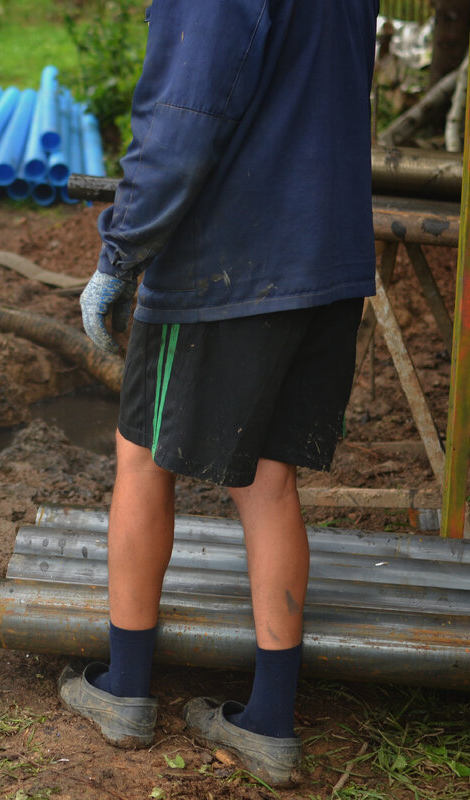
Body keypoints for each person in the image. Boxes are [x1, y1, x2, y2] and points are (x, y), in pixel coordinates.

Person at [61, 0, 379, 788]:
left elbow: (184, 112)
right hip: (329, 248)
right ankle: (269, 721)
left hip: (228, 258)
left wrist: (123, 248)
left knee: (141, 456)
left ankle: (126, 689)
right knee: (268, 478)